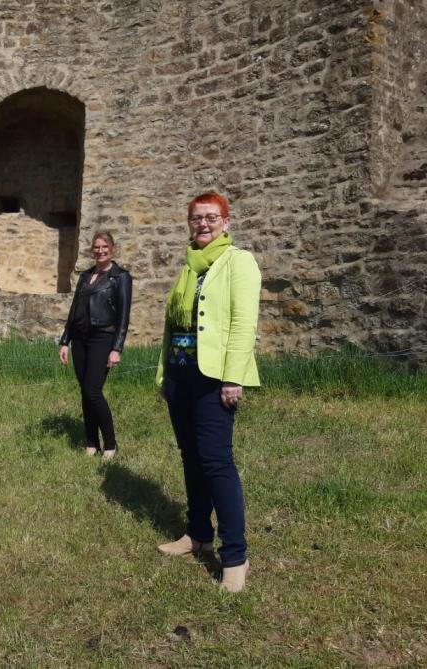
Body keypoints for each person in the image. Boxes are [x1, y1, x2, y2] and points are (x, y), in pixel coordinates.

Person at [155, 192, 261, 593]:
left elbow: (242, 322)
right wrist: (165, 377)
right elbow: (172, 326)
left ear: (226, 222)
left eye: (211, 218)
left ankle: (235, 557)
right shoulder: (188, 267)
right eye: (196, 218)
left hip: (215, 379)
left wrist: (233, 377)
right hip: (181, 377)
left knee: (216, 463)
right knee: (190, 458)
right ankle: (198, 534)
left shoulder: (238, 262)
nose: (203, 224)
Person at [58, 231, 132, 460]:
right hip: (80, 339)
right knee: (85, 392)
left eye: (104, 247)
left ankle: (110, 444)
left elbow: (123, 316)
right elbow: (74, 311)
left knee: (93, 390)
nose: (100, 250)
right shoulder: (85, 276)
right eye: (96, 247)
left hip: (103, 338)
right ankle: (92, 442)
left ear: (112, 249)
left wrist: (117, 348)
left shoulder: (121, 277)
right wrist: (64, 341)